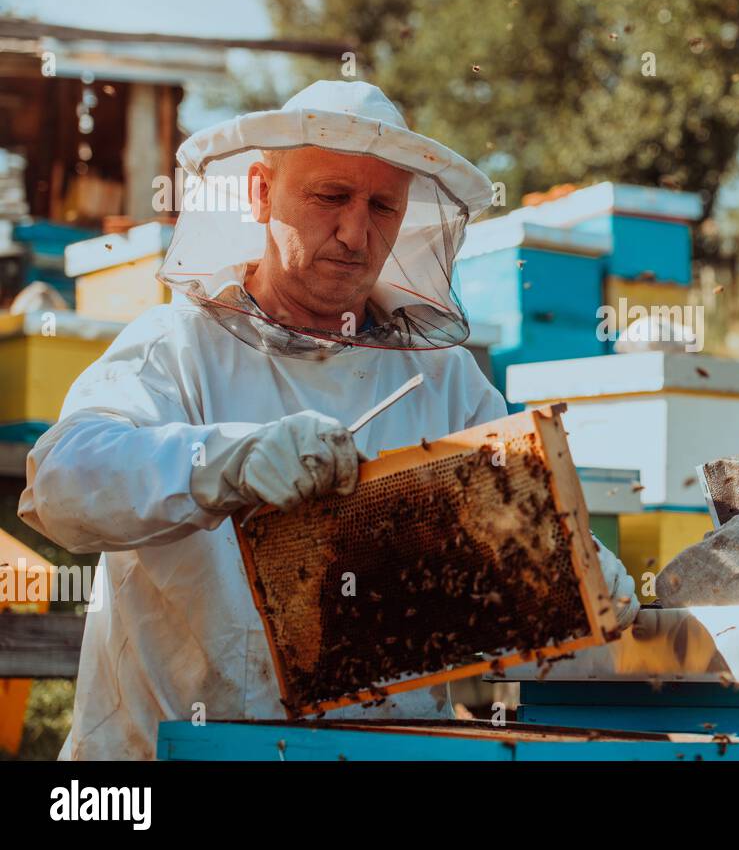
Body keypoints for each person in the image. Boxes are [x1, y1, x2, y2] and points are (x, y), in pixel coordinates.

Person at [19, 80, 637, 760]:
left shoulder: (445, 381)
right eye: (330, 197)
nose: (355, 232)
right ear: (259, 192)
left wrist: (574, 573)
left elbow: (523, 535)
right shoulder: (178, 346)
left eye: (382, 206)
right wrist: (222, 464)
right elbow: (60, 483)